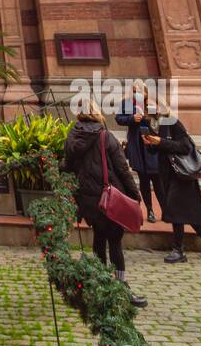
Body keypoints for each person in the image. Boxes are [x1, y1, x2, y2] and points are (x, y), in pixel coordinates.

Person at [61, 101, 147, 307]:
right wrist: (136, 195)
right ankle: (120, 287)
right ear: (97, 113)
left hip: (88, 199)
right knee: (115, 242)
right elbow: (122, 168)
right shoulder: (105, 136)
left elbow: (67, 165)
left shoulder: (72, 137)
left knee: (99, 239)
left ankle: (101, 284)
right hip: (108, 196)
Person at [141, 113, 201, 263]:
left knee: (177, 211)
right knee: (185, 213)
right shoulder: (153, 125)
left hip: (182, 174)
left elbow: (184, 146)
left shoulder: (173, 122)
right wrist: (150, 144)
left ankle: (179, 250)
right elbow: (157, 149)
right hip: (167, 175)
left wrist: (161, 141)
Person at [115, 80, 163, 222]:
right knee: (143, 179)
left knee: (158, 180)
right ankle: (150, 210)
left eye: (141, 91)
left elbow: (159, 118)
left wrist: (156, 112)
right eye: (135, 91)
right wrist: (132, 118)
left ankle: (166, 209)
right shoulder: (127, 103)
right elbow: (118, 118)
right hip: (137, 145)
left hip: (151, 144)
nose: (138, 94)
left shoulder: (150, 103)